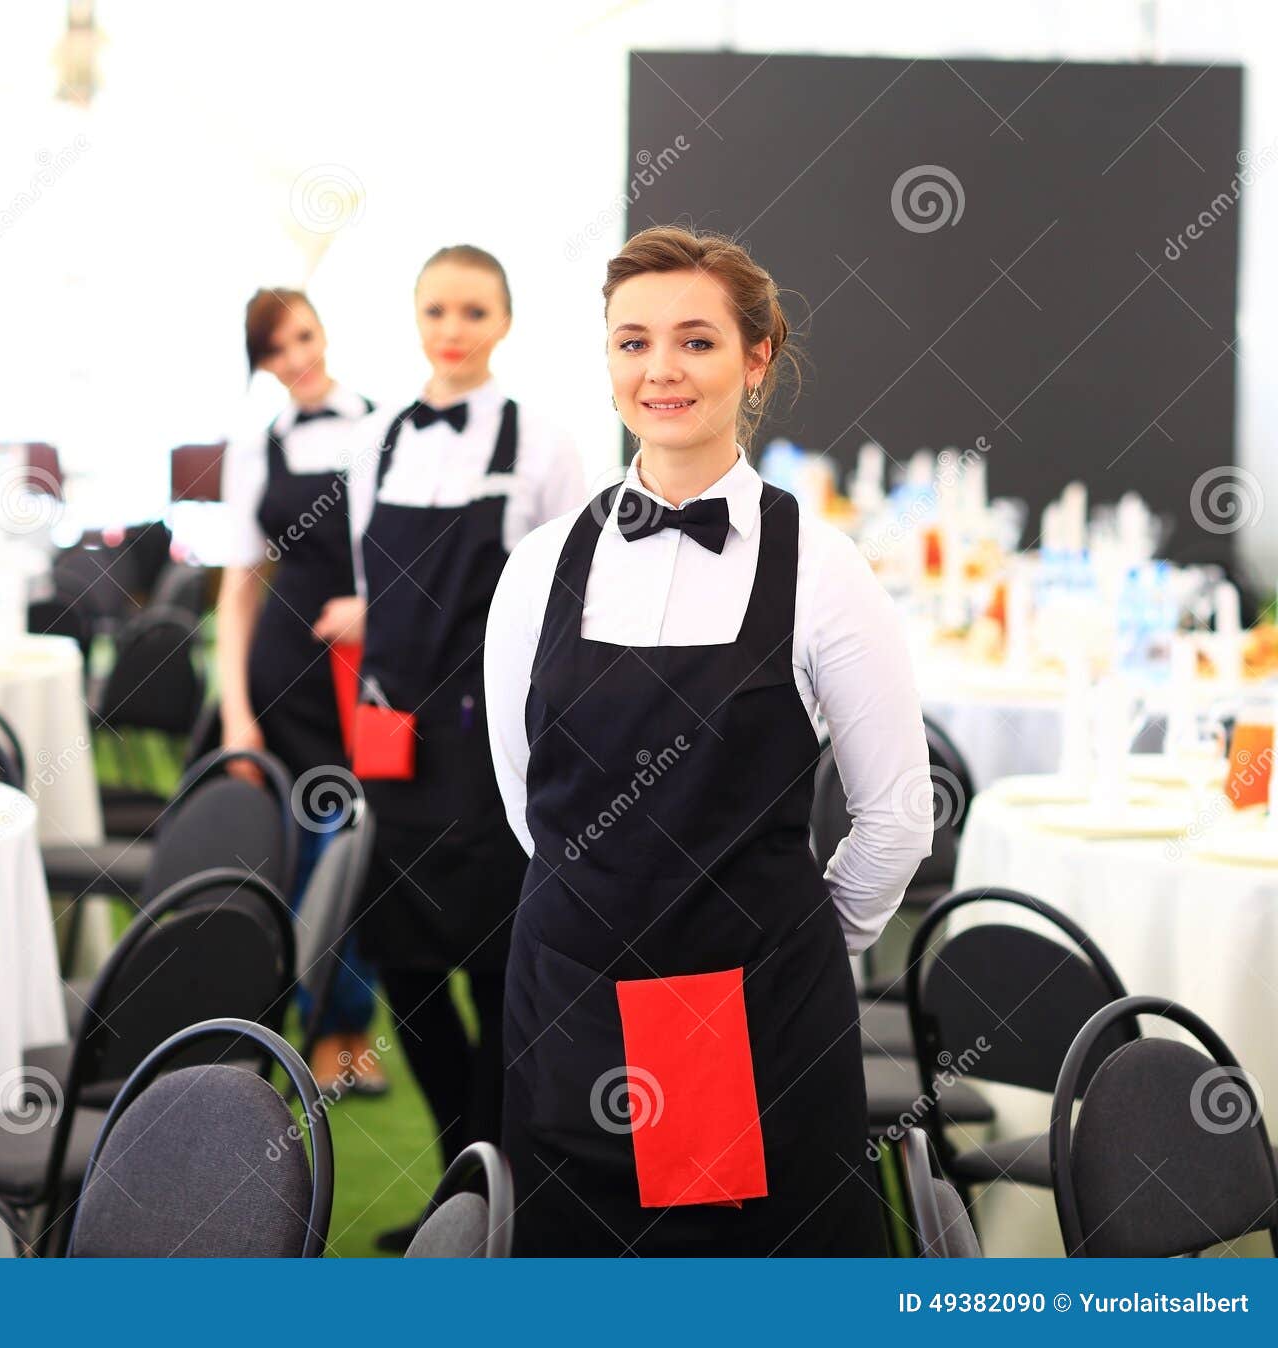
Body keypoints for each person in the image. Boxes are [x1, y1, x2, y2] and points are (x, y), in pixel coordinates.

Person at [484, 225, 933, 1256]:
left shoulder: (824, 569)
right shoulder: (541, 563)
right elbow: (525, 794)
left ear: (757, 354)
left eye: (695, 341)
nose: (661, 370)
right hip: (571, 992)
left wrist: (793, 947)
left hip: (755, 1015)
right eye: (632, 342)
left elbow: (898, 817)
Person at [316, 245, 585, 1248]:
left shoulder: (545, 443)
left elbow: (572, 606)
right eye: (436, 308)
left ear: (503, 322)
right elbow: (367, 583)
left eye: (473, 310)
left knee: (495, 970)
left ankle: (500, 1197)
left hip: (494, 754)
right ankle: (454, 1180)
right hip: (394, 746)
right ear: (415, 317)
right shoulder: (376, 438)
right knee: (406, 970)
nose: (452, 327)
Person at [216, 286, 383, 1095]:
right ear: (264, 364)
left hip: (370, 676)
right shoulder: (259, 447)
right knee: (302, 857)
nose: (299, 358)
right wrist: (236, 715)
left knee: (364, 849)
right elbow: (237, 591)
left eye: (305, 337)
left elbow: (428, 562)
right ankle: (318, 1032)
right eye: (278, 349)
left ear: (326, 332)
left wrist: (375, 607)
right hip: (283, 677)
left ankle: (353, 1027)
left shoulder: (388, 426)